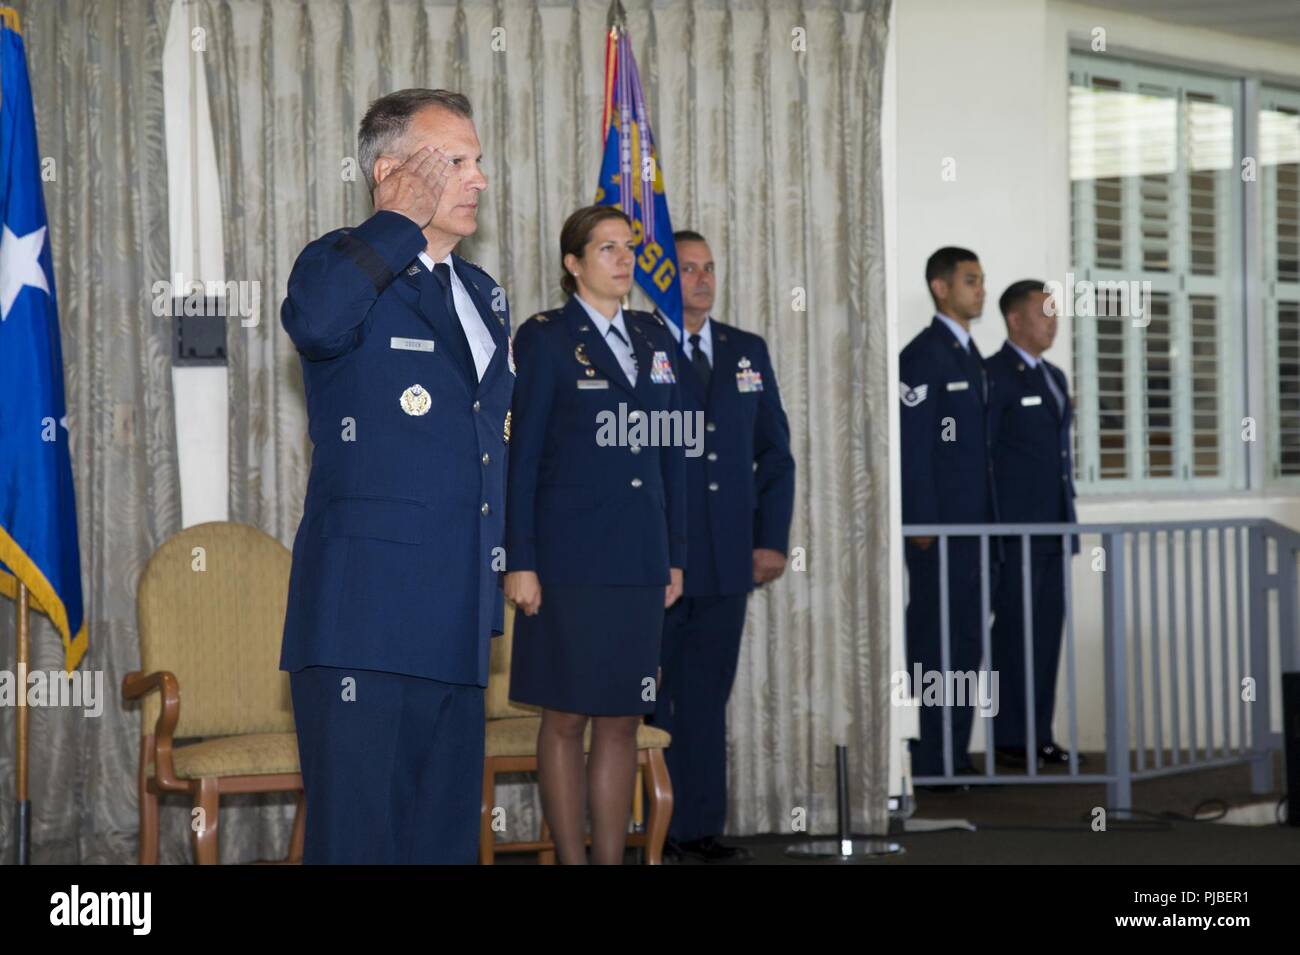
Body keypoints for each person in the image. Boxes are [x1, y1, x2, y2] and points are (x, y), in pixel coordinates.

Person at [279, 89, 513, 863]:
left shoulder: (483, 296)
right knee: (360, 845)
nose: (479, 178)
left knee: (441, 844)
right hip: (364, 624)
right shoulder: (339, 264)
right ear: (391, 171)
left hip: (457, 618)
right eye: (456, 161)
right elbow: (315, 320)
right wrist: (396, 220)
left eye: (479, 160)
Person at [503, 205, 687, 864]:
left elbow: (672, 452)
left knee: (622, 716)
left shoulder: (656, 337)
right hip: (567, 559)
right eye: (605, 248)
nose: (622, 259)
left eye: (627, 247)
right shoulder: (547, 337)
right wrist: (519, 559)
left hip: (638, 557)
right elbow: (521, 457)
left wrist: (675, 555)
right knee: (566, 716)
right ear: (572, 263)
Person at [649, 231, 794, 863]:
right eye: (687, 269)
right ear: (662, 276)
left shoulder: (746, 350)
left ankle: (698, 830)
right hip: (656, 562)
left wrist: (771, 541)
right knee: (649, 700)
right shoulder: (639, 345)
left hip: (729, 557)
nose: (702, 280)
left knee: (707, 699)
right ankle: (646, 830)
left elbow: (775, 454)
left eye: (710, 268)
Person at [899, 246, 998, 787]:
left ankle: (955, 753)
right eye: (970, 281)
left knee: (966, 641)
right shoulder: (923, 356)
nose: (980, 290)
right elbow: (913, 446)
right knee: (936, 642)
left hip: (975, 530)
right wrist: (922, 521)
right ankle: (931, 756)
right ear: (941, 288)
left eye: (982, 281)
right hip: (938, 534)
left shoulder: (970, 355)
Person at [985, 280, 1081, 768]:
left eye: (1055, 312)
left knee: (1046, 634)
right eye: (1043, 313)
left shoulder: (1055, 376)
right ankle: (1009, 737)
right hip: (1015, 531)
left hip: (1055, 526)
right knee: (1014, 637)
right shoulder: (994, 375)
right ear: (1015, 319)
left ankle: (1040, 733)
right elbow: (986, 457)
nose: (1052, 321)